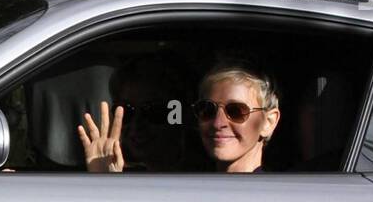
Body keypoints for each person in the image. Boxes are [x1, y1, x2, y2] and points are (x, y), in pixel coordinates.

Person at [80, 63, 280, 173]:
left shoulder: (276, 199)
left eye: (236, 111)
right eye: (206, 110)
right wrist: (105, 181)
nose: (218, 123)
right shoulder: (197, 186)